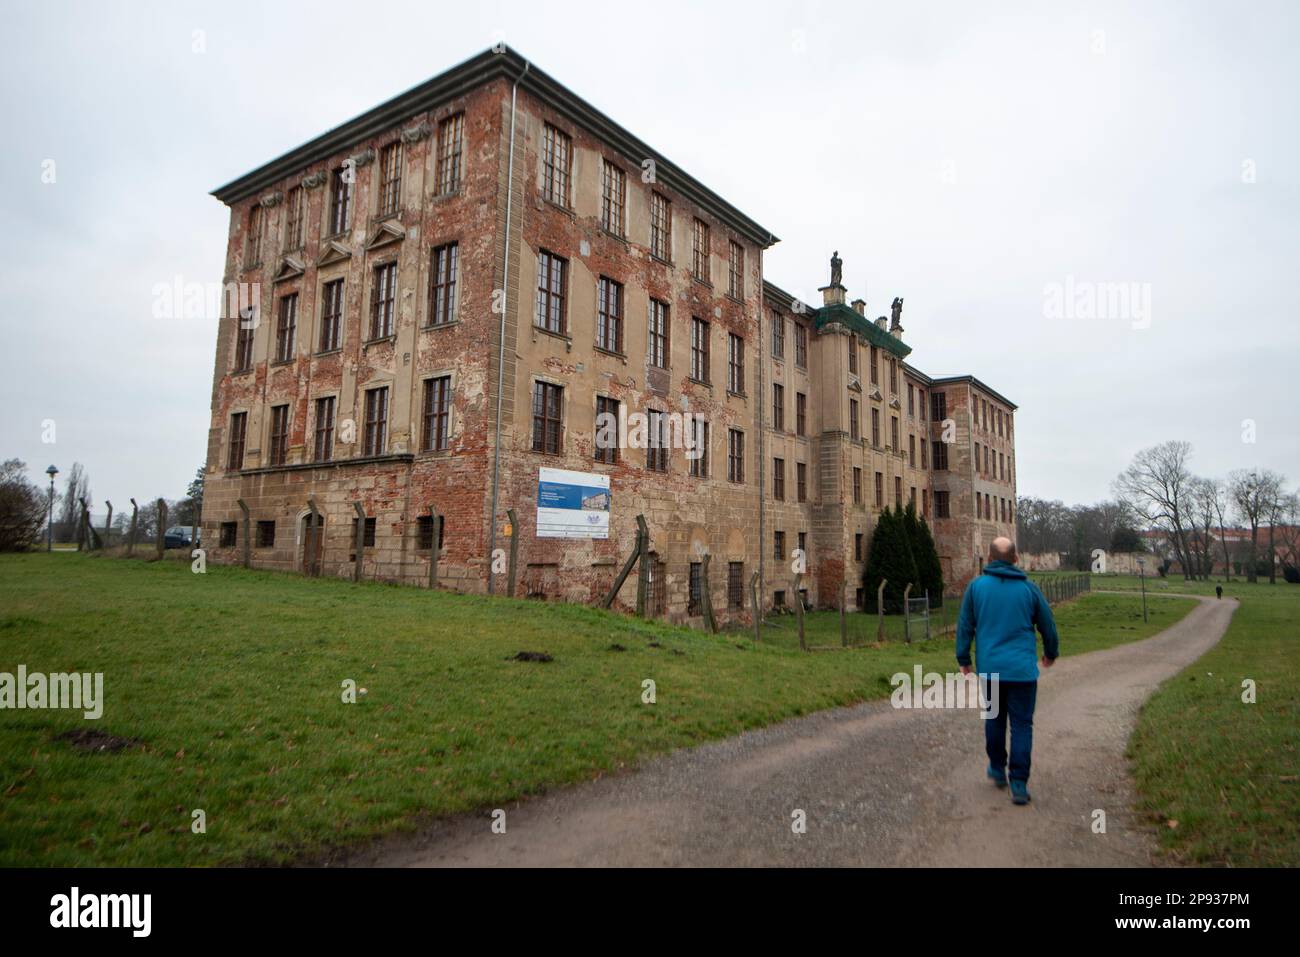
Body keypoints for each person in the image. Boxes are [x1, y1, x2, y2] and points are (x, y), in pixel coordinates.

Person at [956, 538, 1060, 805]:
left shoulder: (976, 588)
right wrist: (1050, 652)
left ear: (989, 559)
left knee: (994, 719)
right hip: (1022, 671)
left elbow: (965, 625)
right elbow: (1048, 625)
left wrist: (963, 657)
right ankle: (1018, 782)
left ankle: (997, 768)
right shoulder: (1029, 589)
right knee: (1022, 725)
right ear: (1016, 559)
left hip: (991, 669)